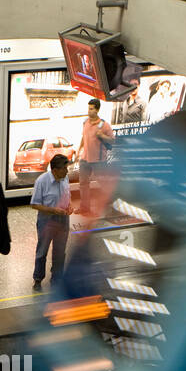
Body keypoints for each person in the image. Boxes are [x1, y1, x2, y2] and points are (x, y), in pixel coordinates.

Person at [30, 154, 72, 291]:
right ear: (55, 169)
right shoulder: (42, 181)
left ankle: (57, 279)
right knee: (42, 251)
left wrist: (69, 206)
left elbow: (67, 195)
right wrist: (54, 210)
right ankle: (38, 279)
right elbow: (35, 204)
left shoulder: (65, 178)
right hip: (47, 221)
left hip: (63, 220)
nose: (67, 171)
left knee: (60, 251)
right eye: (64, 168)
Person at [77, 99, 115, 218]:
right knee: (83, 183)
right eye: (88, 108)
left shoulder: (104, 125)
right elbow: (84, 137)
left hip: (99, 160)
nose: (89, 111)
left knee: (105, 184)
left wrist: (102, 135)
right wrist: (79, 149)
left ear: (97, 110)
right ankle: (84, 208)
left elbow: (113, 141)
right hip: (85, 159)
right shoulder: (85, 122)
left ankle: (112, 209)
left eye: (92, 109)